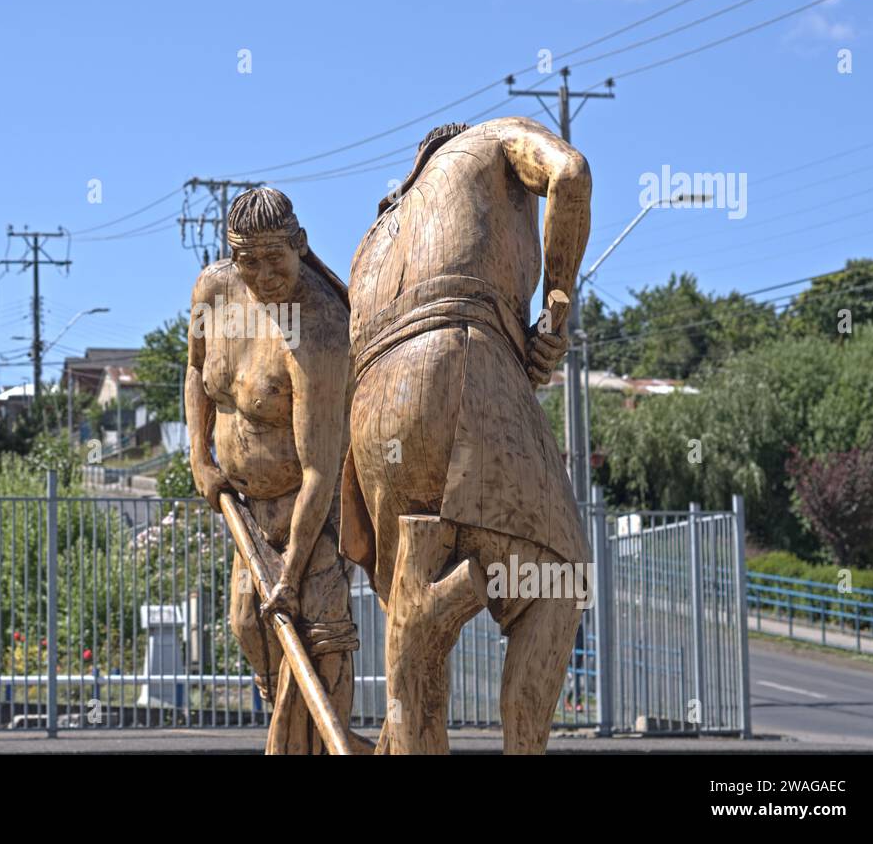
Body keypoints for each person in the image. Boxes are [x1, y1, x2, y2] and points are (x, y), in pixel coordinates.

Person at [342, 117, 593, 754]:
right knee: (559, 580)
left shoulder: (376, 235)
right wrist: (556, 311)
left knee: (414, 611)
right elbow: (570, 173)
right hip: (458, 365)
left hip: (372, 422)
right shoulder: (494, 137)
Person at [185, 187, 357, 755]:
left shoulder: (319, 330)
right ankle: (293, 731)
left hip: (316, 508)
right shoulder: (214, 290)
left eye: (274, 258)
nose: (262, 275)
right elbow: (196, 372)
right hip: (247, 510)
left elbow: (320, 471)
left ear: (300, 244)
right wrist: (199, 457)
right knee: (248, 626)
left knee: (321, 640)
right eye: (248, 260)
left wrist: (292, 570)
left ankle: (317, 741)